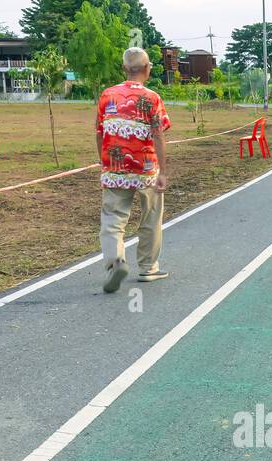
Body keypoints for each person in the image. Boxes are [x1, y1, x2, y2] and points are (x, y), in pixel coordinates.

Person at [96, 47, 171, 293]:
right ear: (148, 69)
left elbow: (99, 132)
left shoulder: (107, 95)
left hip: (115, 167)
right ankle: (149, 268)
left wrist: (103, 162)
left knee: (113, 219)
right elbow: (158, 134)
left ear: (124, 69)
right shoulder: (152, 98)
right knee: (150, 216)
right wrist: (163, 171)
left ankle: (116, 260)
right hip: (146, 168)